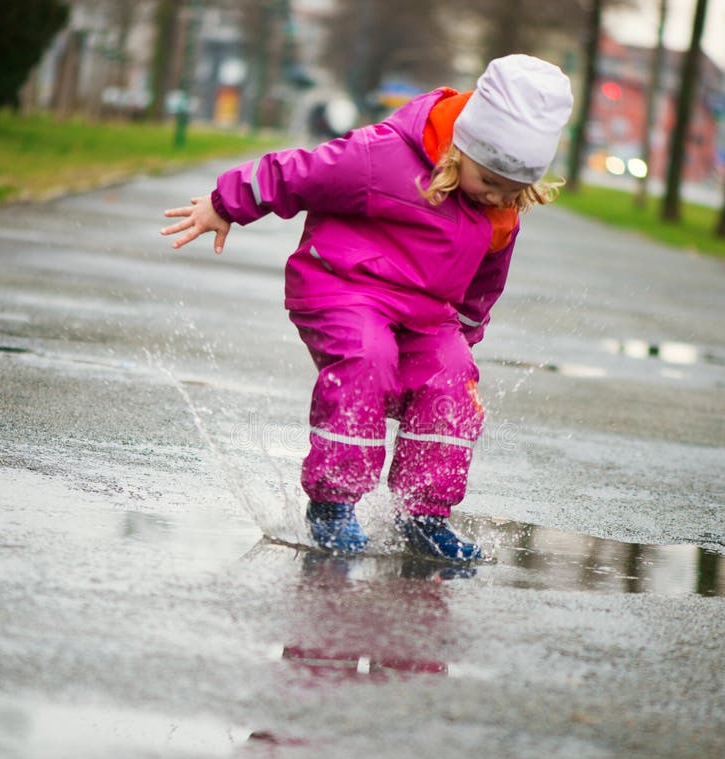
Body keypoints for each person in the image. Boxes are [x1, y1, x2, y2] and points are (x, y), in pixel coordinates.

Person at [161, 54, 573, 561]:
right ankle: (333, 503)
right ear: (461, 148)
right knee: (366, 356)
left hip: (423, 315)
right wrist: (226, 203)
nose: (497, 196)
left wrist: (461, 338)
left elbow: (485, 282)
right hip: (342, 287)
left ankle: (423, 514)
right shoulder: (383, 158)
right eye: (490, 181)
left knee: (453, 378)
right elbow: (299, 172)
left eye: (511, 190)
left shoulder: (500, 211)